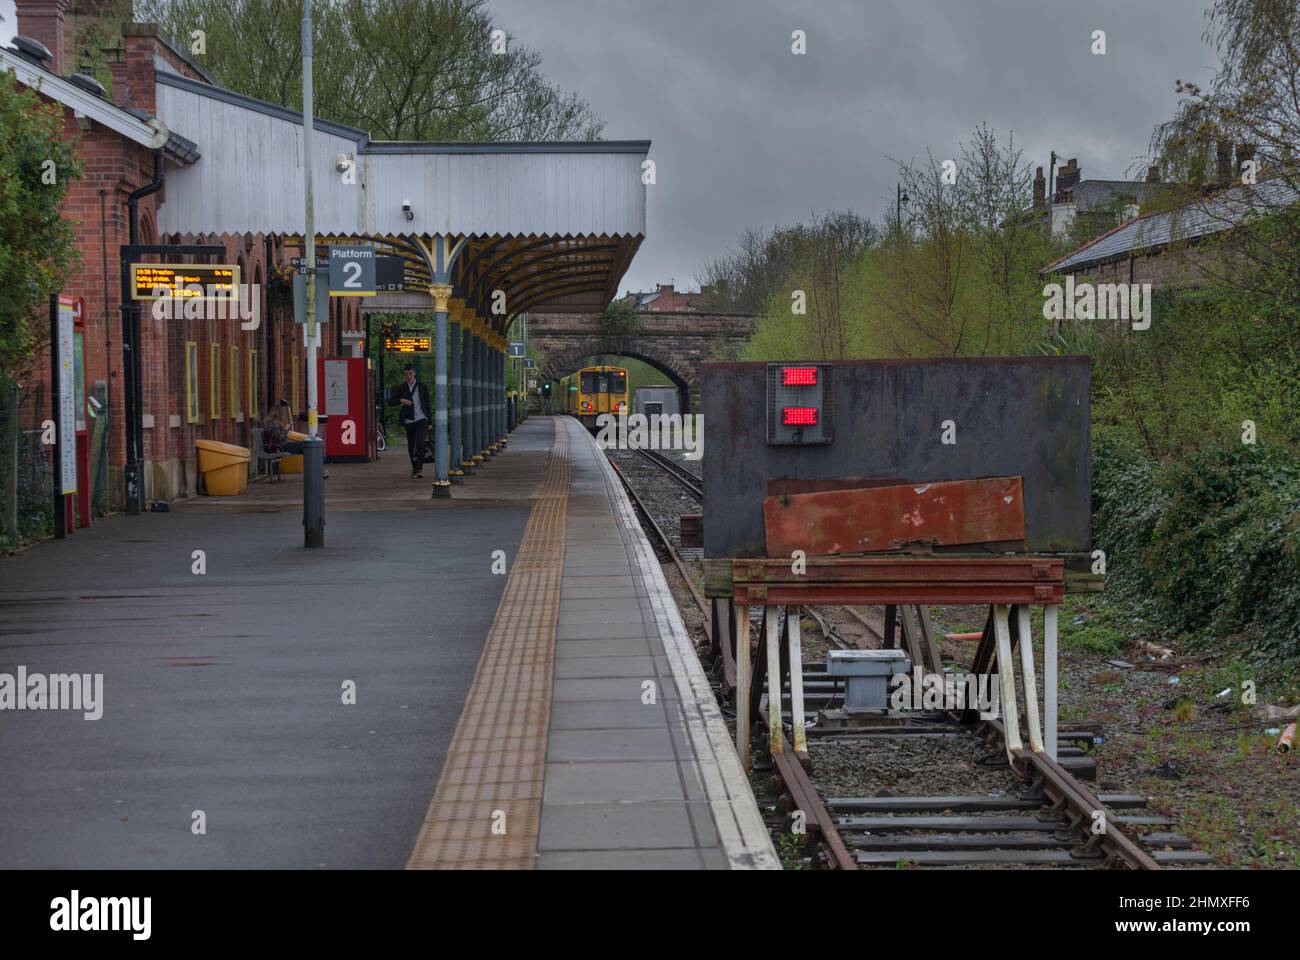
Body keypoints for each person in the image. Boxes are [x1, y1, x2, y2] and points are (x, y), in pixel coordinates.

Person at [389, 364, 431, 479]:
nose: (408, 376)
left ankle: (419, 469)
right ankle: (414, 467)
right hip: (409, 421)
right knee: (411, 446)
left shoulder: (422, 387)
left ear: (414, 373)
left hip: (422, 419)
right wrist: (402, 400)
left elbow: (427, 405)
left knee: (421, 444)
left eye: (410, 374)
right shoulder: (402, 388)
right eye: (406, 374)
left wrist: (430, 422)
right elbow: (391, 401)